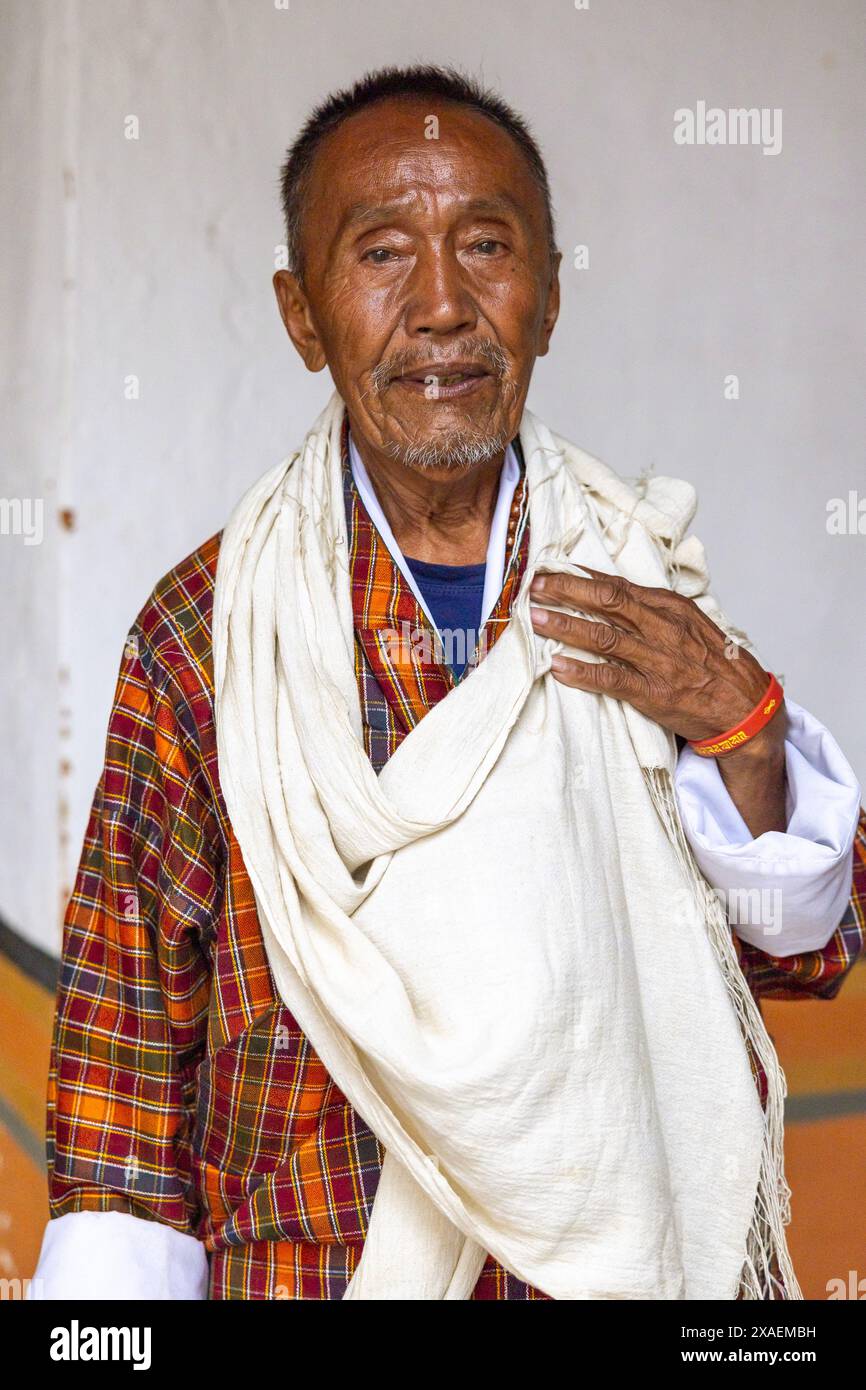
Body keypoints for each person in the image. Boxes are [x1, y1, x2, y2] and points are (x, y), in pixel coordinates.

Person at [32, 65, 864, 1301]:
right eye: (380, 253)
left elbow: (795, 957)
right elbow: (126, 1064)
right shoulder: (207, 633)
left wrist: (741, 730)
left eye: (485, 245)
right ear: (301, 315)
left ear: (548, 299)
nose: (439, 306)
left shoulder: (633, 581)